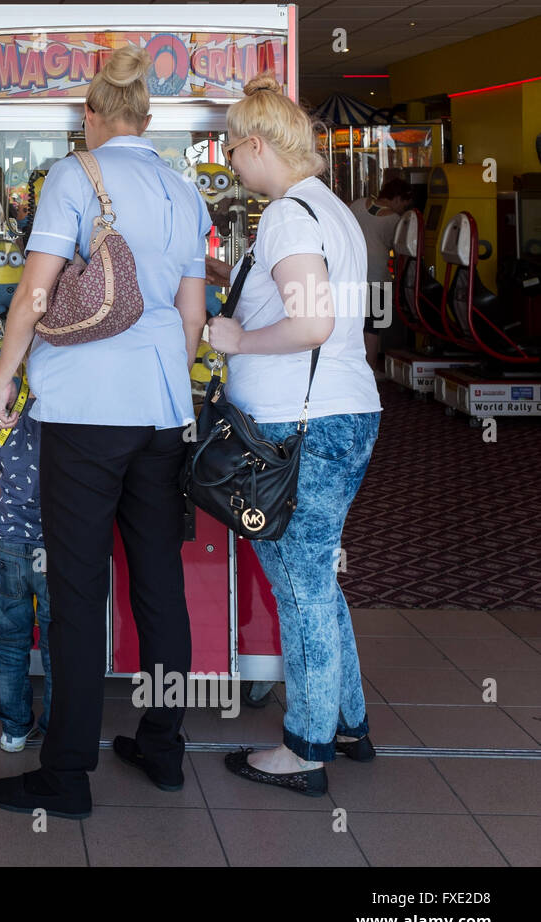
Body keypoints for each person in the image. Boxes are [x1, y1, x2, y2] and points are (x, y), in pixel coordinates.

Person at [0, 44, 210, 819]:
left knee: (78, 591)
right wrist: (167, 390)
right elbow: (192, 317)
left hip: (82, 414)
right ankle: (165, 745)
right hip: (162, 413)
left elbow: (34, 298)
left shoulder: (76, 178)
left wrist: (5, 382)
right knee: (160, 589)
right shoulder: (185, 192)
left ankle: (67, 773)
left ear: (91, 115)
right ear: (148, 116)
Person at [208, 72, 382, 797]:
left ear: (255, 143)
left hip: (304, 430)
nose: (228, 163)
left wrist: (236, 340)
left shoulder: (286, 214)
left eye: (230, 148)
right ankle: (346, 720)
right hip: (336, 417)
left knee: (303, 586)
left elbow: (311, 323)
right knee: (312, 580)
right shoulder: (327, 209)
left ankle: (306, 747)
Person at [0, 369, 51, 753]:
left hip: (9, 546)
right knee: (58, 643)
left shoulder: (0, 428)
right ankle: (58, 728)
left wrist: (5, 531)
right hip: (56, 549)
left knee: (10, 641)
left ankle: (14, 731)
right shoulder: (66, 429)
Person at [349, 178, 415, 375]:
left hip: (352, 272)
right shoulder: (394, 220)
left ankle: (353, 369)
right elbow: (400, 248)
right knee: (373, 326)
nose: (403, 208)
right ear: (396, 198)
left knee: (354, 324)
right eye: (403, 203)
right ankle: (370, 369)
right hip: (378, 274)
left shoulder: (358, 204)